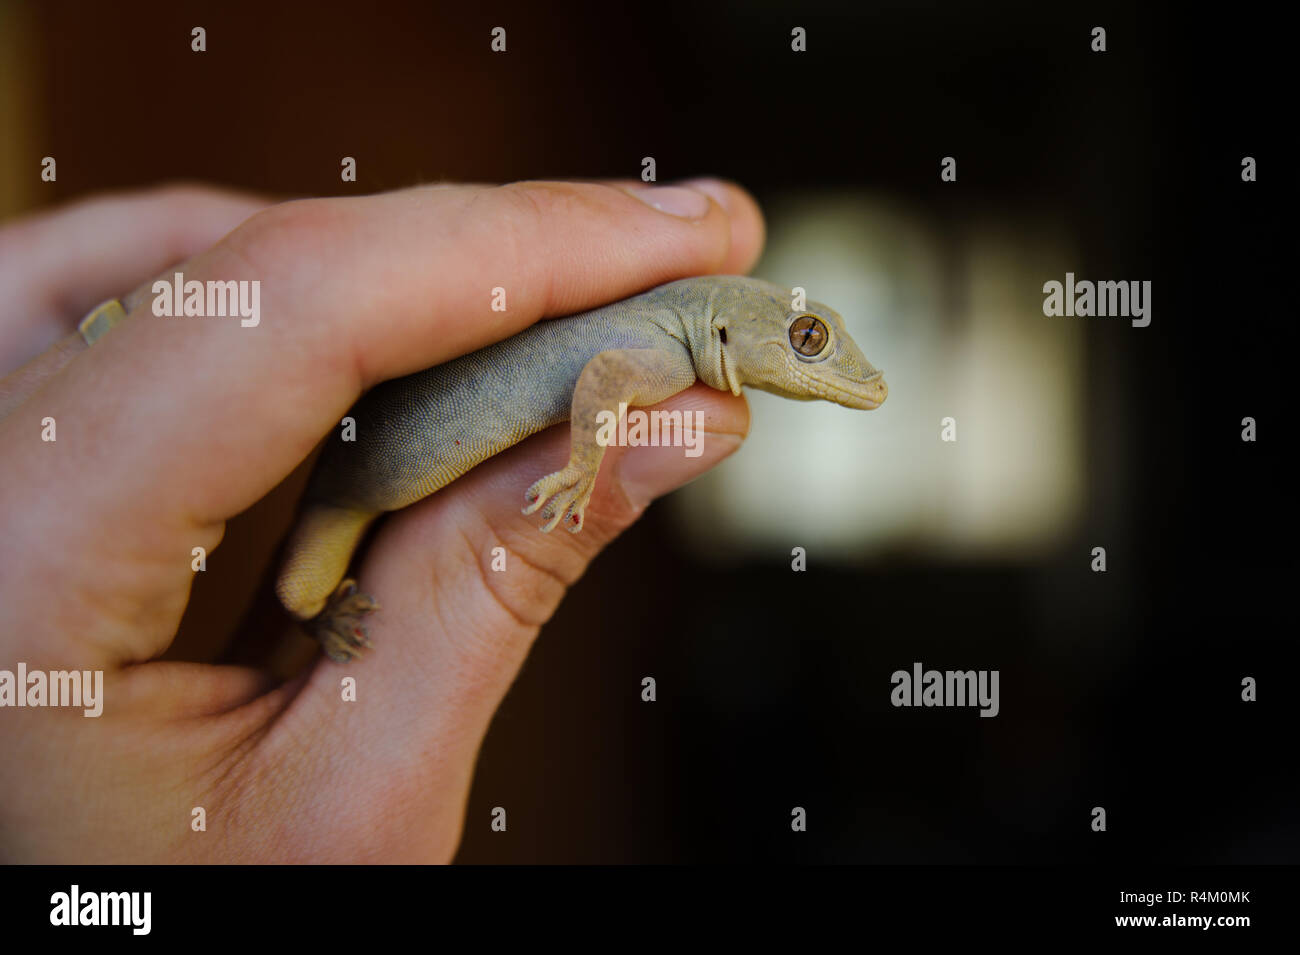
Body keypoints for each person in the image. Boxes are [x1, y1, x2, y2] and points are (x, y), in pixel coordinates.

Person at [0, 178, 764, 862]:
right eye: (808, 341)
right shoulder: (667, 349)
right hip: (347, 487)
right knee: (303, 593)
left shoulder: (673, 338)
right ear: (731, 321)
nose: (832, 364)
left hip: (357, 472)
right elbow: (600, 377)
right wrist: (584, 472)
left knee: (299, 592)